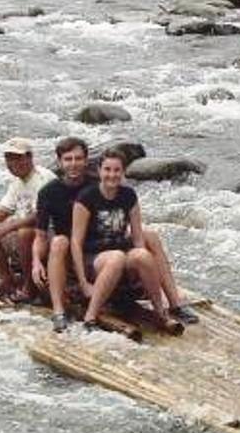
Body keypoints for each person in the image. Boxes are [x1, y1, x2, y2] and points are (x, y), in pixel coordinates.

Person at [32, 138, 196, 332]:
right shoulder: (50, 192)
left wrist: (141, 266)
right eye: (68, 159)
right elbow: (41, 234)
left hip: (105, 240)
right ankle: (59, 311)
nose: (74, 163)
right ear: (60, 162)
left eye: (79, 158)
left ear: (86, 161)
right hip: (76, 248)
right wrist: (36, 261)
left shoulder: (103, 182)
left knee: (150, 235)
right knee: (60, 241)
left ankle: (174, 303)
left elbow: (121, 216)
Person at [70, 148, 179, 332]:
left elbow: (137, 238)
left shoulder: (128, 196)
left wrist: (141, 272)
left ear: (123, 172)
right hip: (94, 258)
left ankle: (161, 313)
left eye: (116, 170)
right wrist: (83, 282)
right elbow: (76, 242)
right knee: (116, 257)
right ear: (99, 171)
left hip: (120, 250)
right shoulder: (86, 198)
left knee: (142, 255)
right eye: (107, 170)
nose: (112, 175)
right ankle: (90, 317)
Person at [0, 137, 47, 301]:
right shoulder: (17, 182)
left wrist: (8, 227)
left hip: (46, 234)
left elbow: (40, 216)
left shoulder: (42, 179)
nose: (13, 163)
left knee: (24, 233)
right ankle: (7, 280)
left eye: (18, 158)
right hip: (25, 229)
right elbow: (5, 210)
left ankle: (29, 288)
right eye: (9, 158)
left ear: (29, 157)